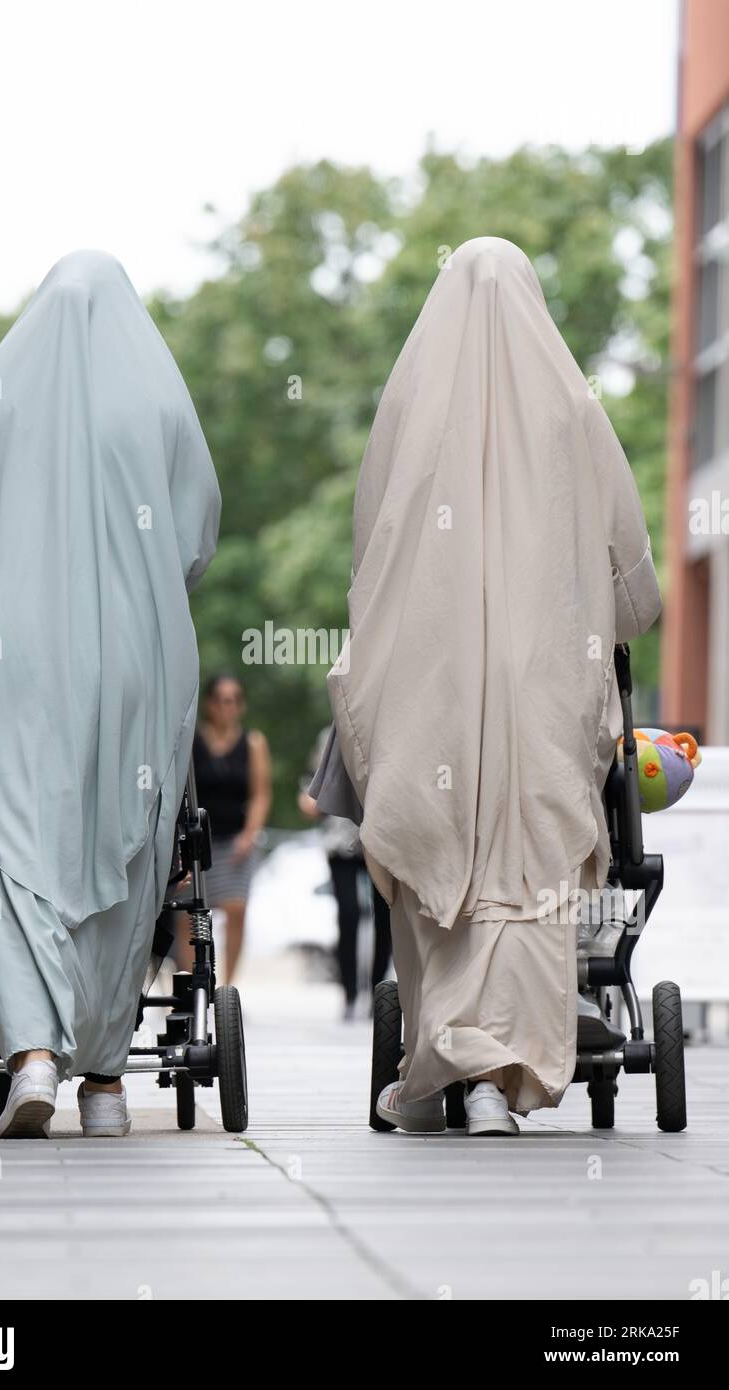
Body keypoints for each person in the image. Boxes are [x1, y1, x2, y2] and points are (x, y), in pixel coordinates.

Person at [311, 237, 661, 1137]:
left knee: (444, 867)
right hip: (547, 684)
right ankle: (505, 1076)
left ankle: (451, 1067)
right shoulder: (571, 407)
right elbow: (632, 580)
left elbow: (371, 555)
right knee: (533, 866)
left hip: (431, 684)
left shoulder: (409, 406)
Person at [0, 250, 221, 1138]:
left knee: (13, 852)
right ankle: (107, 1081)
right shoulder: (158, 403)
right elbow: (196, 539)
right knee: (127, 857)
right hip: (135, 663)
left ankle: (33, 1057)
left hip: (12, 670)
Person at [176, 673, 271, 981]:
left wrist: (249, 834)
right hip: (197, 839)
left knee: (236, 909)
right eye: (220, 700)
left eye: (233, 700)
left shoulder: (253, 743)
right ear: (210, 704)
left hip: (235, 841)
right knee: (189, 914)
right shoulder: (192, 741)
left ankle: (228, 985)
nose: (226, 707)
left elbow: (260, 794)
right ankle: (191, 983)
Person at [298, 727, 391, 1020]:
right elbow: (314, 783)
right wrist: (312, 799)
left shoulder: (387, 727)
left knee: (384, 915)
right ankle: (349, 993)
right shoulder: (330, 734)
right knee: (348, 913)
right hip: (340, 839)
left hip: (379, 839)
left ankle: (380, 993)